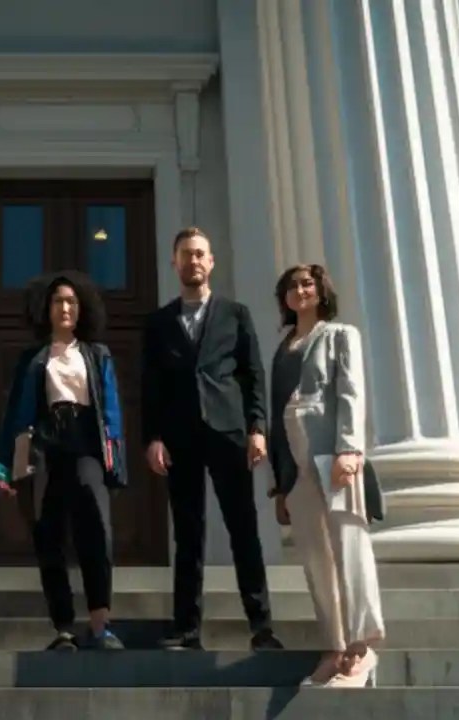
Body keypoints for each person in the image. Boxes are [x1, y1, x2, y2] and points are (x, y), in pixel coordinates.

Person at [141, 227, 282, 651]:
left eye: (200, 254)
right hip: (179, 439)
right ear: (175, 262)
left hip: (228, 432)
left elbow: (253, 374)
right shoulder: (159, 322)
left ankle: (261, 626)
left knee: (243, 529)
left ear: (211, 261)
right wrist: (153, 438)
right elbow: (149, 386)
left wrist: (258, 428)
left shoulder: (235, 314)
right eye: (186, 255)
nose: (194, 261)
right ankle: (186, 628)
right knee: (188, 534)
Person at [0, 270, 127, 652]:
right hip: (45, 444)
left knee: (96, 526)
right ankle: (64, 627)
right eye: (57, 301)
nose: (64, 308)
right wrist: (0, 465)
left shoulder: (97, 355)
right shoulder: (33, 358)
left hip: (86, 443)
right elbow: (14, 413)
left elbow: (111, 410)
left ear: (81, 309)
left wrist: (115, 464)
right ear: (46, 309)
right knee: (48, 532)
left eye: (71, 302)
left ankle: (100, 623)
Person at [268, 263, 385, 687]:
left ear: (321, 291)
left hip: (333, 456)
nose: (300, 291)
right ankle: (333, 649)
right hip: (296, 466)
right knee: (316, 560)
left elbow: (350, 392)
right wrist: (280, 482)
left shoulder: (340, 335)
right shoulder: (282, 348)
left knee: (349, 549)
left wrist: (350, 449)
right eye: (292, 287)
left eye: (307, 284)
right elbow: (275, 413)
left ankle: (362, 648)